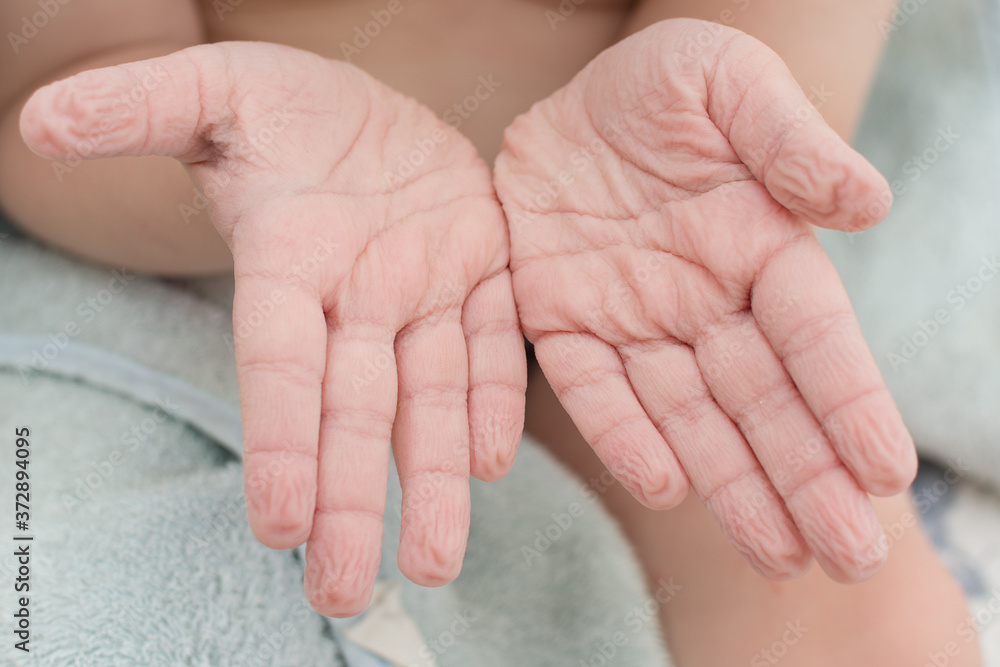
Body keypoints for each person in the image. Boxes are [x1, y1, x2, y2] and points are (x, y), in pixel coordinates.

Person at [0, 0, 980, 663]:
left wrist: (713, 123)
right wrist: (219, 154)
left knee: (836, 589)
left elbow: (781, 67)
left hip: (634, 251)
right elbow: (46, 106)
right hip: (271, 256)